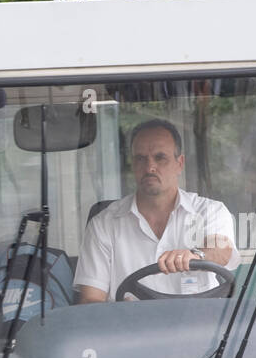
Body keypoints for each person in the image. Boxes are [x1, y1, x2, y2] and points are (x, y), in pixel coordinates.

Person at [75, 119, 238, 302]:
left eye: (160, 157)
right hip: (128, 329)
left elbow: (223, 250)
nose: (149, 167)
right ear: (133, 165)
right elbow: (90, 302)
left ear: (180, 163)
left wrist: (195, 256)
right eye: (140, 158)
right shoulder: (103, 224)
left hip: (199, 328)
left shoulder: (210, 211)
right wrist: (118, 314)